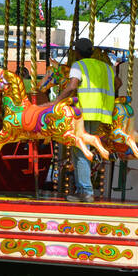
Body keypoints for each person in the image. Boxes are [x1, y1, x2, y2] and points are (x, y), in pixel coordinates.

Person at [55, 38, 115, 202]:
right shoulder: (107, 67)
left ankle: (85, 191)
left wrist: (56, 101)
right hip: (101, 113)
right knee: (86, 149)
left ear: (77, 52)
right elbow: (118, 83)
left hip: (83, 113)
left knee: (80, 150)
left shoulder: (78, 66)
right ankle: (85, 187)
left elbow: (73, 86)